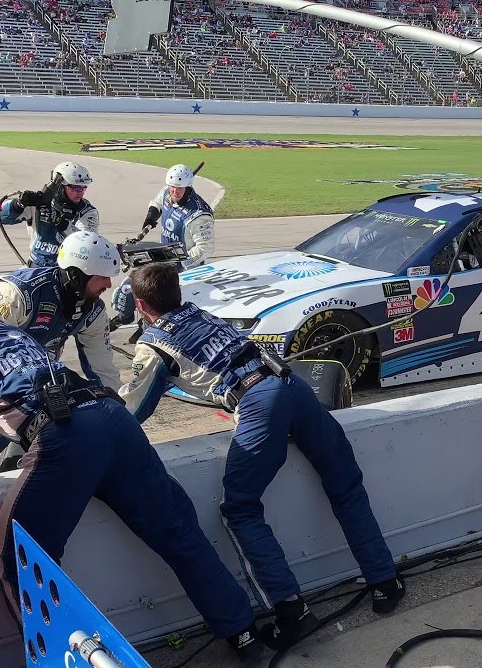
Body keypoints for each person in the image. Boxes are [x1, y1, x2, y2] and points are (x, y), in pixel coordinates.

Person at [118, 262, 404, 648]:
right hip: (291, 383)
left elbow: (133, 411)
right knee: (344, 482)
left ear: (140, 303)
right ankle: (385, 580)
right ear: (177, 293)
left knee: (239, 509)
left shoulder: (152, 344)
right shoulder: (201, 313)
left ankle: (292, 611)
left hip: (257, 402)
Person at [0, 321, 266, 661]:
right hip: (111, 416)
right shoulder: (2, 328)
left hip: (67, 437)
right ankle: (243, 632)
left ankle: (58, 658)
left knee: (18, 560)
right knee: (177, 531)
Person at [0, 230, 121, 468]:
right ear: (77, 275)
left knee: (27, 457)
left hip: (32, 390)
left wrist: (114, 419)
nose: (109, 284)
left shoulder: (93, 311)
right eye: (103, 277)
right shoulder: (17, 294)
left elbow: (104, 372)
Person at [111, 164, 215, 337]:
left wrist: (181, 260)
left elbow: (205, 248)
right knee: (127, 289)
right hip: (162, 257)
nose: (175, 192)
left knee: (162, 302)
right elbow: (157, 203)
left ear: (188, 186)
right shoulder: (167, 192)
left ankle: (155, 330)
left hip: (186, 268)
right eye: (172, 187)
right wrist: (149, 220)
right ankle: (125, 317)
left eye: (180, 188)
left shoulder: (199, 214)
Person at [0, 161, 100, 268]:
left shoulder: (87, 212)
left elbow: (88, 243)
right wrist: (19, 204)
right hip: (34, 267)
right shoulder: (38, 202)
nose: (80, 192)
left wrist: (62, 224)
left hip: (65, 271)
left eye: (83, 188)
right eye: (76, 188)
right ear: (60, 187)